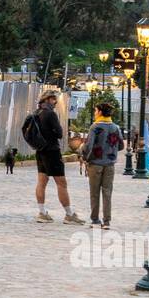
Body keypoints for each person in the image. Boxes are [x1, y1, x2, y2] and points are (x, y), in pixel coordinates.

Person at [23, 92, 86, 224]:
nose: (55, 102)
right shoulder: (50, 114)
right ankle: (69, 215)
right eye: (53, 99)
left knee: (41, 182)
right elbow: (59, 133)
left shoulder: (36, 113)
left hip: (40, 151)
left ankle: (42, 212)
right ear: (47, 99)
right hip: (52, 151)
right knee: (61, 183)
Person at [81, 102, 125, 229]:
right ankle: (107, 222)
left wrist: (84, 156)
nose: (95, 113)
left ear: (100, 112)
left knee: (94, 193)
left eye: (95, 110)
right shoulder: (115, 127)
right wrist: (111, 151)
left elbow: (89, 146)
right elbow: (121, 145)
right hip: (110, 165)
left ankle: (95, 220)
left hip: (95, 164)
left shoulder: (95, 127)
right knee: (107, 192)